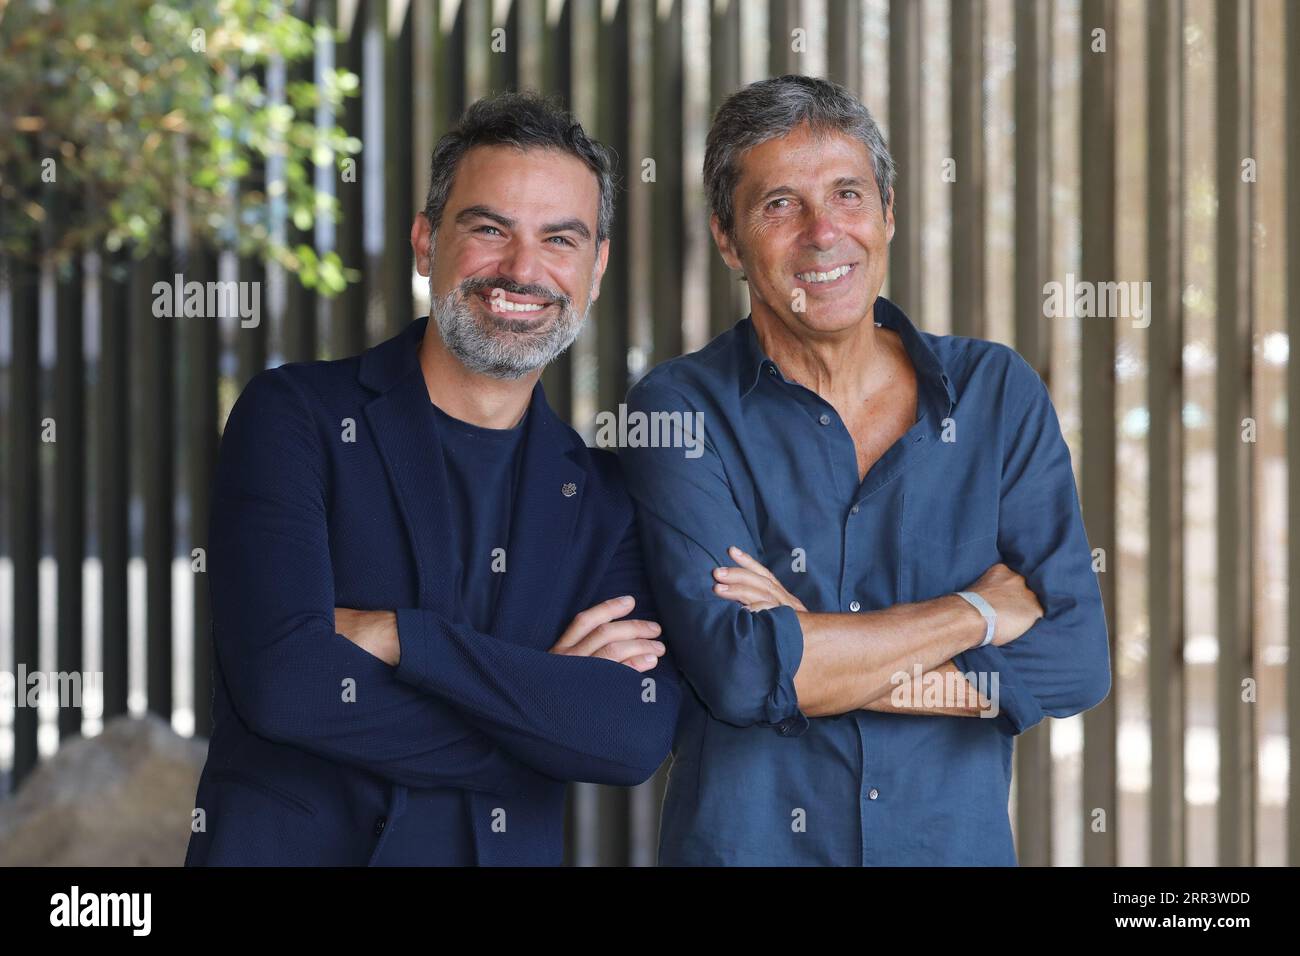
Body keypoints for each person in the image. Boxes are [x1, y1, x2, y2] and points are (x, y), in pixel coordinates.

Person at [620, 75, 1110, 866]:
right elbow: (742, 675)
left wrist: (810, 654)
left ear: (888, 212)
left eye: (847, 194)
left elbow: (1076, 662)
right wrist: (975, 614)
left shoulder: (995, 394)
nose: (823, 233)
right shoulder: (676, 412)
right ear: (727, 239)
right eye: (780, 204)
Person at [186, 92, 680, 866]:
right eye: (489, 229)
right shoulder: (296, 419)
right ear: (426, 243)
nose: (523, 269)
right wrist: (540, 709)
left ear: (596, 267)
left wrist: (399, 636)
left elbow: (628, 736)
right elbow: (286, 684)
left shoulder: (607, 500)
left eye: (560, 239)